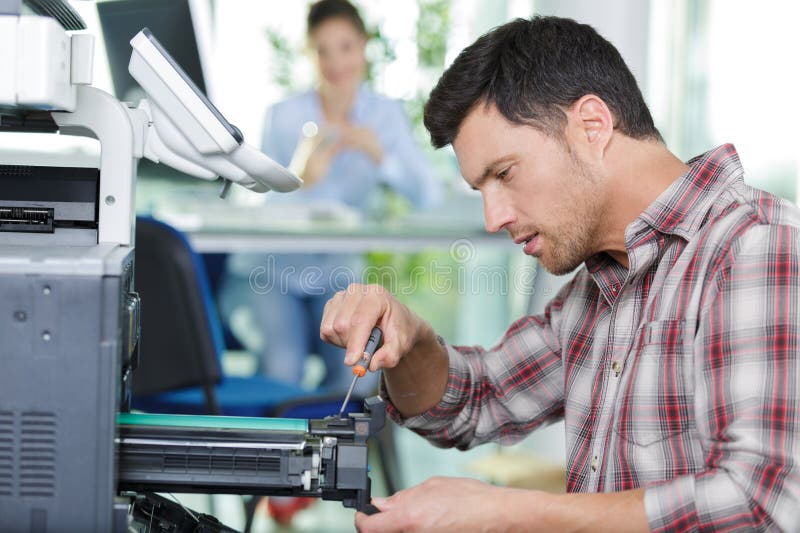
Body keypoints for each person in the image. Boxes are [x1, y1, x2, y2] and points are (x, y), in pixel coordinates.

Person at [320, 15, 800, 533]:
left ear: (592, 126)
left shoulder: (755, 247)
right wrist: (407, 335)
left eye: (504, 174)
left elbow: (761, 505)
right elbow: (475, 401)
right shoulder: (599, 287)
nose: (493, 218)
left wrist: (506, 514)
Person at [220, 0, 441, 395]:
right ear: (309, 54)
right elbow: (254, 209)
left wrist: (382, 157)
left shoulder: (385, 116)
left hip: (335, 277)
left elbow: (428, 196)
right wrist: (299, 177)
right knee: (283, 365)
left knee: (360, 369)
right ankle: (277, 452)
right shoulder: (283, 116)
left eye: (345, 47)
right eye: (322, 50)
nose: (336, 62)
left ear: (363, 47)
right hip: (270, 273)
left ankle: (336, 450)